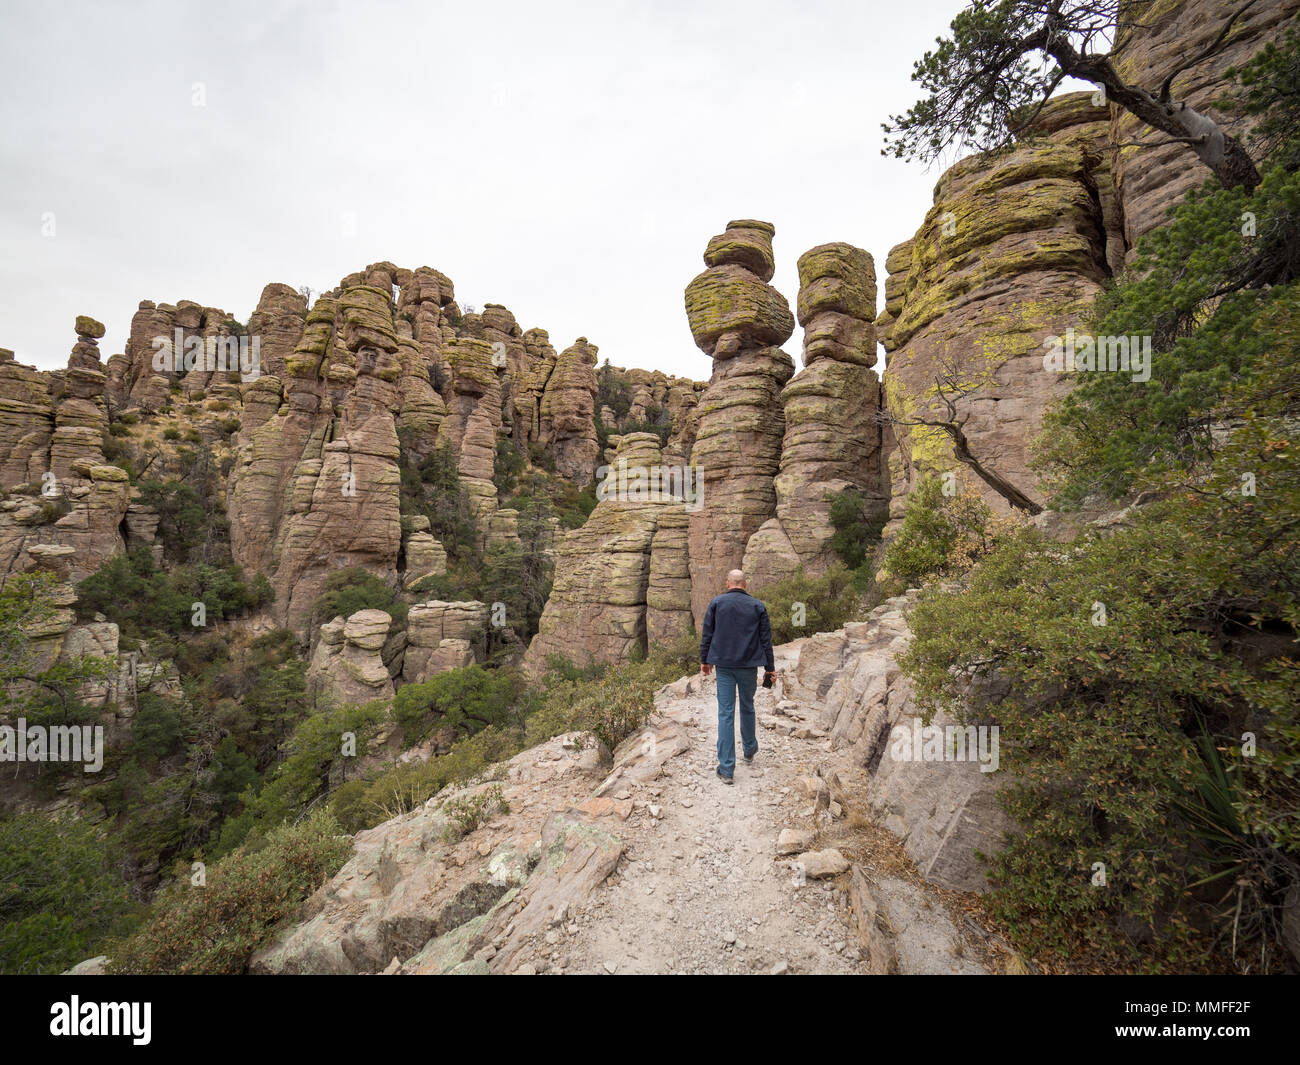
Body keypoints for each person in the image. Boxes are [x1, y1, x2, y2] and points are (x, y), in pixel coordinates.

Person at [699, 569, 775, 784]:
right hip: (749, 666)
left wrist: (705, 661)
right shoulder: (757, 606)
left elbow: (707, 634)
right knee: (748, 706)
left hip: (723, 666)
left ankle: (726, 769)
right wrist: (770, 668)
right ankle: (750, 750)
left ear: (728, 583)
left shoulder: (716, 603)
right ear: (745, 584)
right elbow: (765, 640)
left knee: (725, 713)